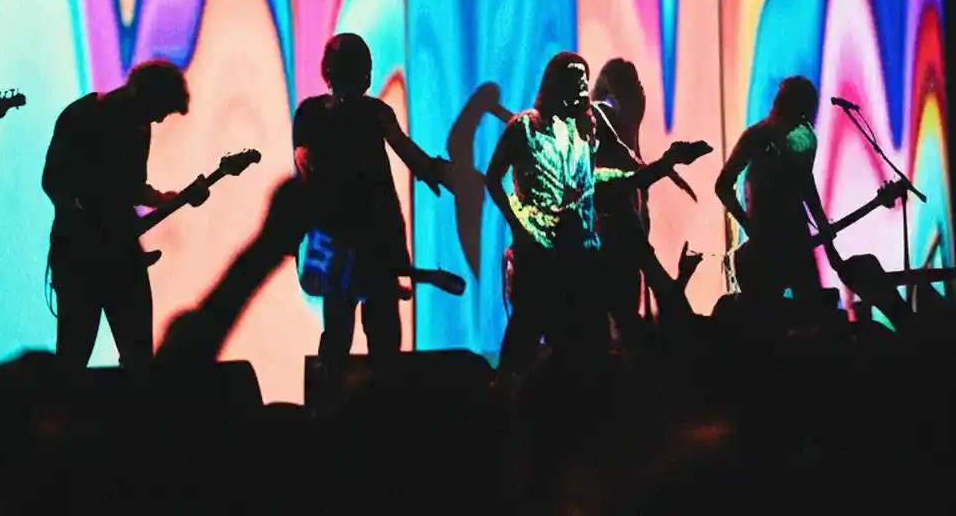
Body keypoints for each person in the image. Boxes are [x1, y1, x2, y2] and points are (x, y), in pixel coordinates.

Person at [485, 52, 708, 377]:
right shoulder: (525, 127)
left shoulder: (582, 134)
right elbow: (493, 178)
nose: (582, 87)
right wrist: (520, 228)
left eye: (584, 80)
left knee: (584, 351)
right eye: (576, 79)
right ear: (556, 84)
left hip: (579, 262)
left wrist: (666, 163)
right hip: (538, 262)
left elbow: (606, 178)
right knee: (522, 347)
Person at [293, 33, 452, 375]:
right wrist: (432, 171)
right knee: (380, 335)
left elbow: (305, 166)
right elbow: (406, 150)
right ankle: (382, 409)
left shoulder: (311, 113)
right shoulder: (374, 112)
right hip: (374, 234)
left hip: (343, 234)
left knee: (340, 331)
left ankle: (332, 409)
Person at [42, 60, 209, 370]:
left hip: (115, 254)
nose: (159, 119)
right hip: (80, 257)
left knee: (136, 357)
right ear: (142, 95)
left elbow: (131, 189)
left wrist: (169, 199)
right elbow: (53, 182)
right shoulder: (84, 116)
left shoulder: (137, 126)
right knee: (74, 355)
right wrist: (91, 220)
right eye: (159, 109)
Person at [589, 59, 697, 349]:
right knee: (624, 311)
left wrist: (663, 169)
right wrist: (666, 165)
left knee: (630, 306)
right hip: (615, 231)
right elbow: (617, 174)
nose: (641, 92)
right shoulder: (605, 117)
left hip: (627, 224)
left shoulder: (619, 122)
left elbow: (630, 168)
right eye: (634, 85)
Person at [715, 75, 841, 308]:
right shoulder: (759, 136)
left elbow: (807, 188)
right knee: (783, 317)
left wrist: (828, 241)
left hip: (788, 239)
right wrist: (749, 226)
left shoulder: (791, 138)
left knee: (797, 317)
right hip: (772, 242)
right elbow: (722, 185)